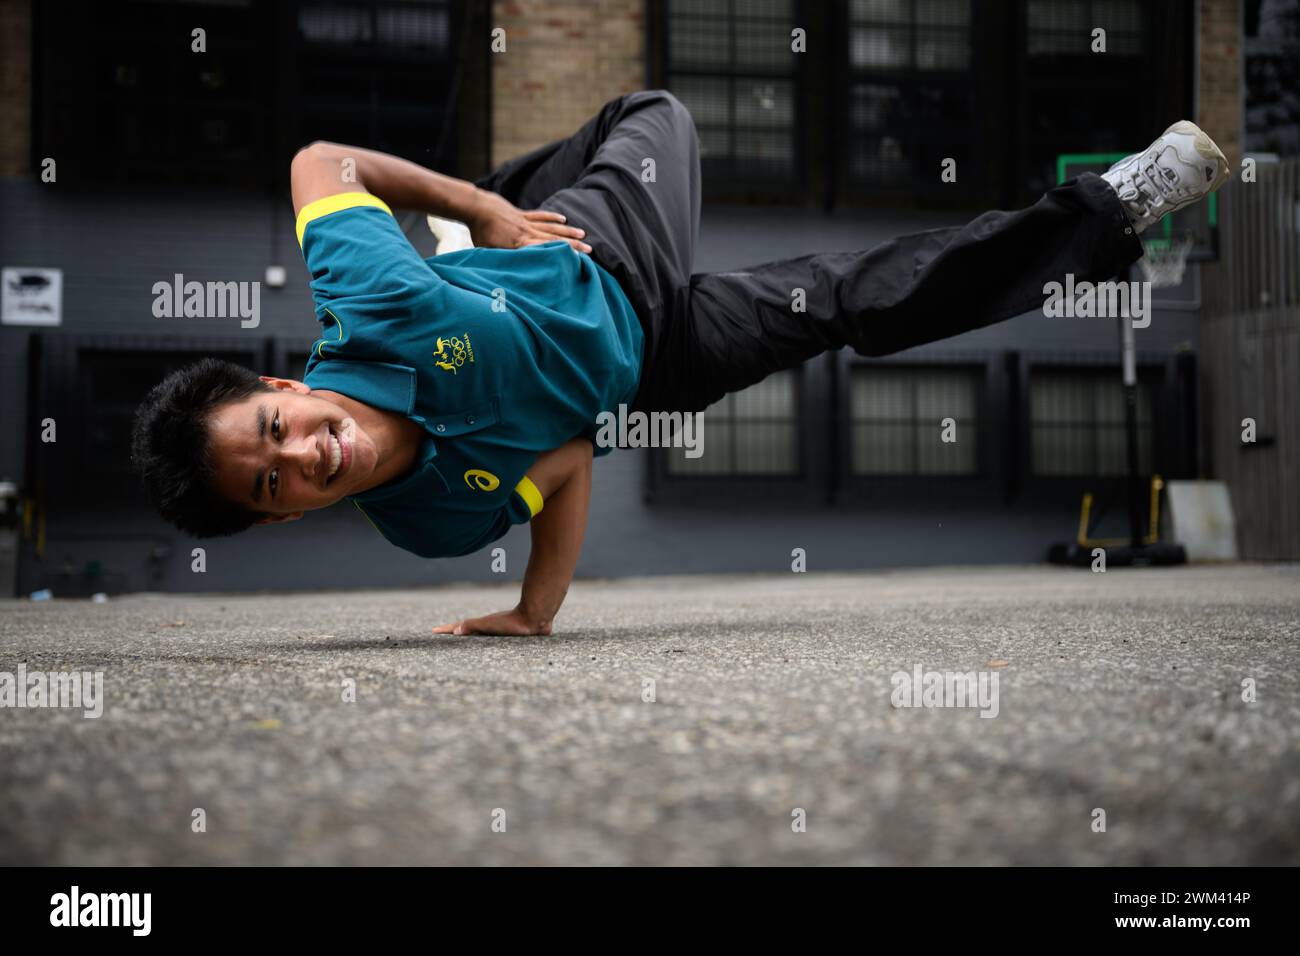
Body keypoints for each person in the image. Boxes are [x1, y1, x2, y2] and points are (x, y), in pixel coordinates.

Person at [131, 91, 1229, 635]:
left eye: (277, 431)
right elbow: (561, 465)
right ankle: (1111, 206)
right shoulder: (426, 523)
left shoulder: (367, 297)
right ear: (277, 516)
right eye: (272, 483)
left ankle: (494, 212)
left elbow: (317, 158)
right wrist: (536, 607)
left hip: (603, 242)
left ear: (283, 389)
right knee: (846, 298)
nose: (308, 456)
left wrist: (484, 208)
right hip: (661, 361)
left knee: (651, 109)